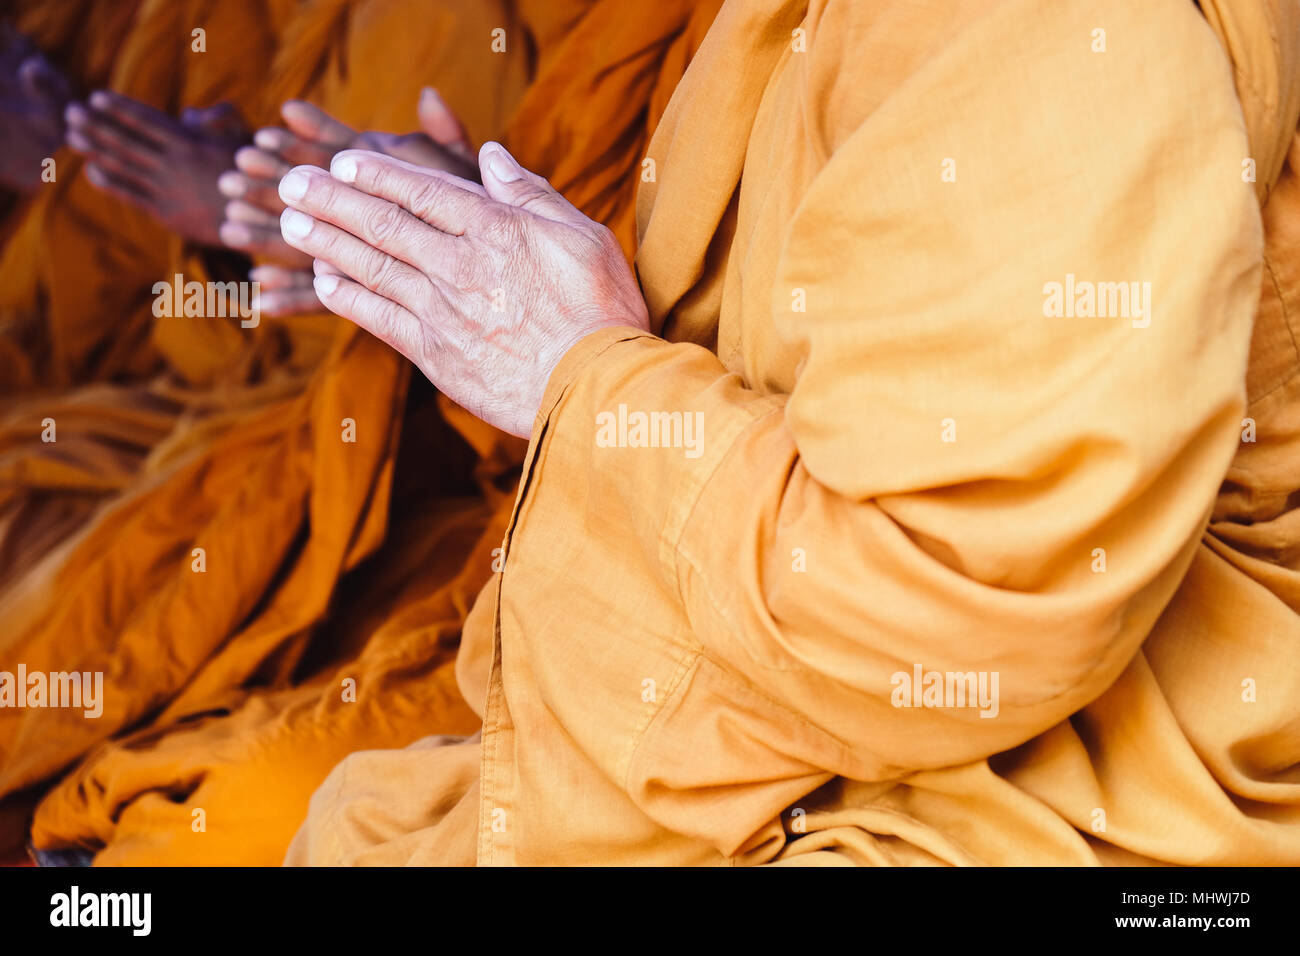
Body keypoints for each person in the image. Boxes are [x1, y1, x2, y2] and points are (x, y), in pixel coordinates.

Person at [282, 0, 1300, 865]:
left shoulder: (1053, 31)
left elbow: (951, 606)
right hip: (725, 630)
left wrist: (571, 369)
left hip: (1042, 752)